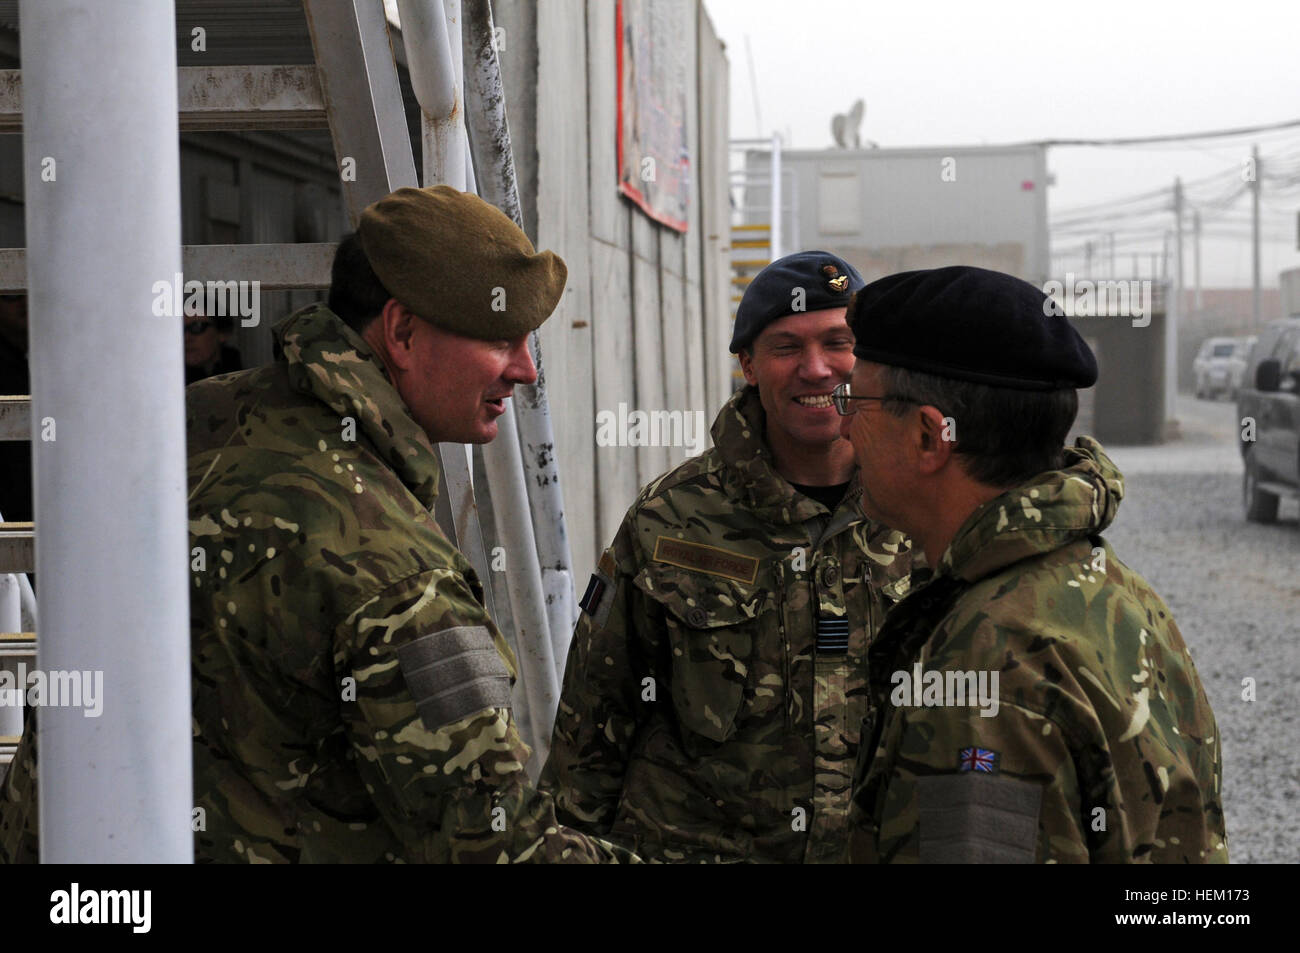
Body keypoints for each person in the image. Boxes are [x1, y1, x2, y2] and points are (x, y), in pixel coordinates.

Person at [0, 186, 633, 864]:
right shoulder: (394, 567)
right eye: (502, 339)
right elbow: (495, 843)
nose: (526, 371)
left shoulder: (195, 419)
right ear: (402, 332)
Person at [839, 265, 1227, 863]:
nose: (843, 426)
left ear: (927, 436)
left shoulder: (988, 663)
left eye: (855, 401)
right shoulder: (1109, 586)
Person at [541, 251, 912, 863]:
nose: (816, 369)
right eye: (787, 347)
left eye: (838, 343)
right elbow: (593, 725)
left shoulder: (919, 510)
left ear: (869, 361)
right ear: (748, 365)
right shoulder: (670, 519)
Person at [183, 307, 242, 385]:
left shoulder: (244, 382)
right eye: (180, 329)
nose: (186, 338)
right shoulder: (168, 382)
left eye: (197, 327)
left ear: (222, 333)